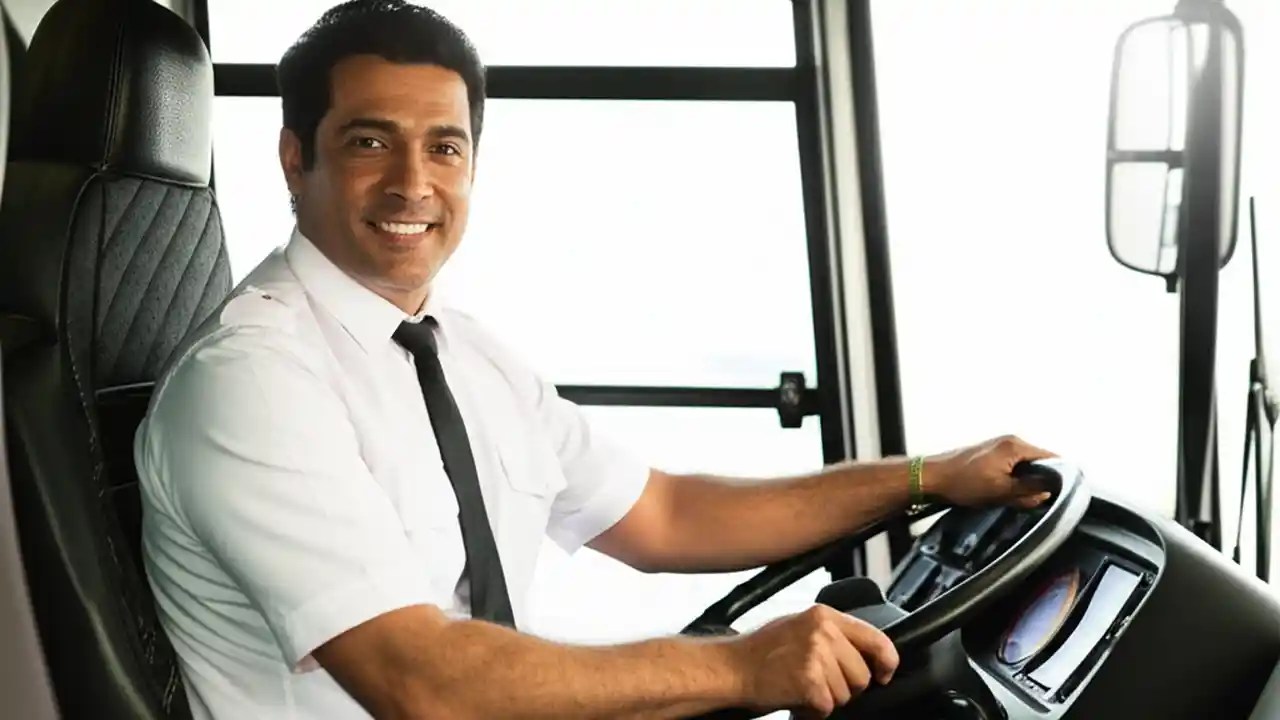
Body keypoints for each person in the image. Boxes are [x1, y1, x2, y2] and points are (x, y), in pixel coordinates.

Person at [134, 2, 1056, 718]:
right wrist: (742, 666)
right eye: (370, 142)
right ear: (297, 160)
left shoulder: (462, 352)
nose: (413, 183)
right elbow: (425, 686)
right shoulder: (250, 381)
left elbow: (665, 514)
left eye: (444, 148)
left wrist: (932, 477)